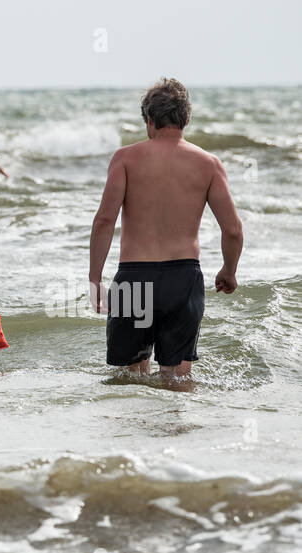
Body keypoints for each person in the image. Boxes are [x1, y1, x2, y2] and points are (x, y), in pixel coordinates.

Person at [89, 78, 243, 384]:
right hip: (182, 280)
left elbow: (104, 221)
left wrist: (95, 279)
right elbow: (233, 230)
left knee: (128, 381)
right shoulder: (208, 164)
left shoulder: (125, 159)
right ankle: (175, 428)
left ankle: (132, 432)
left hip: (133, 279)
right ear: (186, 118)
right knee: (176, 379)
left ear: (149, 120)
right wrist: (229, 270)